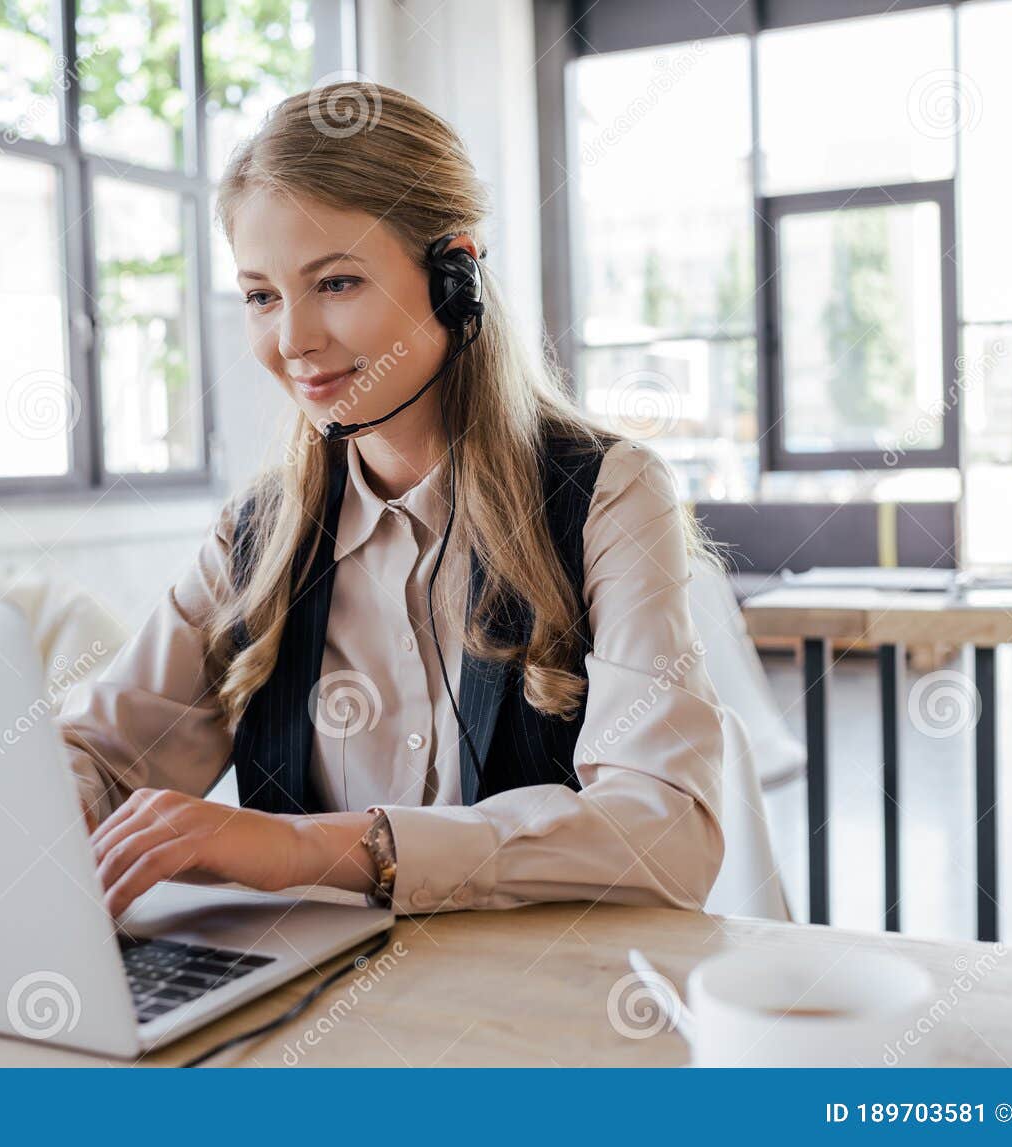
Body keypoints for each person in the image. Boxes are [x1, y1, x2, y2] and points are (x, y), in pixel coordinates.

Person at [59, 81, 728, 921]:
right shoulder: (255, 536)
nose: (293, 340)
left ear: (455, 278)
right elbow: (103, 754)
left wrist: (319, 849)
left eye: (336, 283)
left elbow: (668, 832)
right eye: (262, 296)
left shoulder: (605, 494)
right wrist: (56, 798)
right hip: (308, 994)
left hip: (537, 991)